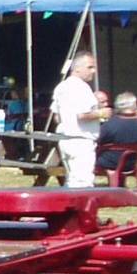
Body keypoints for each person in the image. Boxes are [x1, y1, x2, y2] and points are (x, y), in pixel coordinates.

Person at [50, 50, 109, 187]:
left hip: (65, 139)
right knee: (83, 182)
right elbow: (82, 115)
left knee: (71, 180)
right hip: (81, 140)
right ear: (77, 68)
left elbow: (57, 117)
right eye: (90, 67)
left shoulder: (61, 87)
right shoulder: (82, 88)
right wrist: (101, 113)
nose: (93, 71)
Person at [96, 90, 137, 180]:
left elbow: (98, 141)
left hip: (110, 162)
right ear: (135, 105)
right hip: (135, 162)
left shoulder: (108, 125)